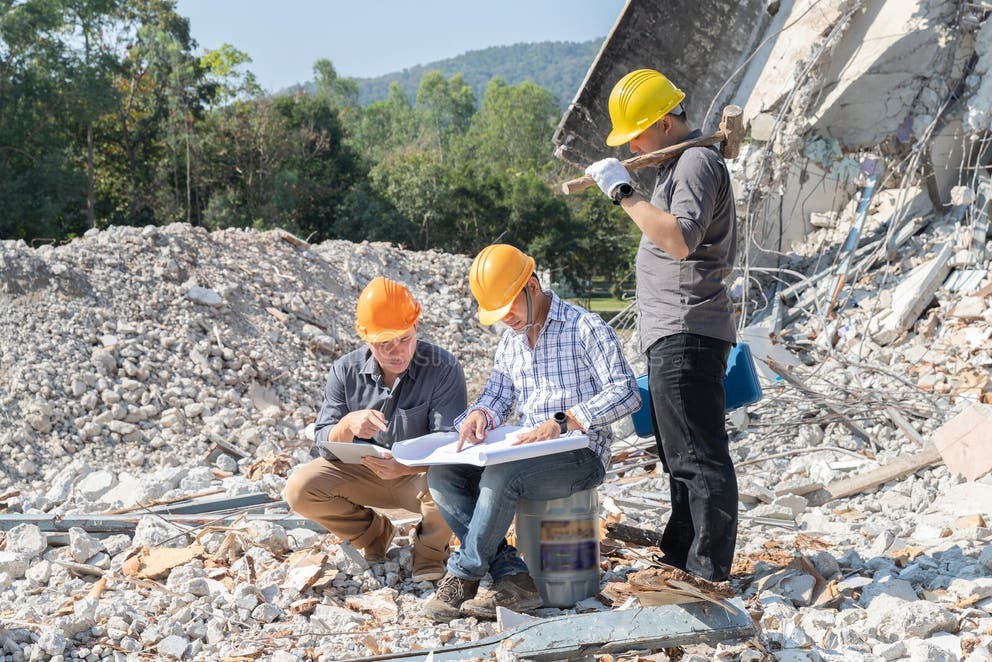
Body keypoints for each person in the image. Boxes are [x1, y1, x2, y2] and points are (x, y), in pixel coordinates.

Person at [423, 243, 640, 621]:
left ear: (534, 286)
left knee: (503, 475)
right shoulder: (510, 341)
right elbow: (496, 395)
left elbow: (626, 391)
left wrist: (564, 421)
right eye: (498, 312)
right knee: (443, 476)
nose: (504, 318)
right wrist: (480, 415)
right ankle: (513, 577)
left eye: (509, 307)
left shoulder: (585, 327)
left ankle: (463, 576)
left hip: (581, 454)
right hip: (527, 454)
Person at [583, 69, 739, 582]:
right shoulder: (681, 164)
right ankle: (681, 559)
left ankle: (707, 572)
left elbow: (678, 240)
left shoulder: (695, 161)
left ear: (666, 123)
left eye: (637, 132)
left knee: (697, 456)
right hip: (674, 331)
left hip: (688, 328)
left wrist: (624, 192)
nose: (631, 143)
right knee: (678, 457)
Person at [284, 276, 466, 582]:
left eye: (405, 339)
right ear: (367, 340)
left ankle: (430, 553)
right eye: (385, 344)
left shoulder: (442, 367)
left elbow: (449, 445)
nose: (397, 352)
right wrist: (346, 424)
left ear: (416, 328)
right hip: (365, 473)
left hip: (418, 477)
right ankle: (374, 535)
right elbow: (323, 443)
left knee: (455, 482)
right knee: (299, 488)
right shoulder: (346, 370)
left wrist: (404, 465)